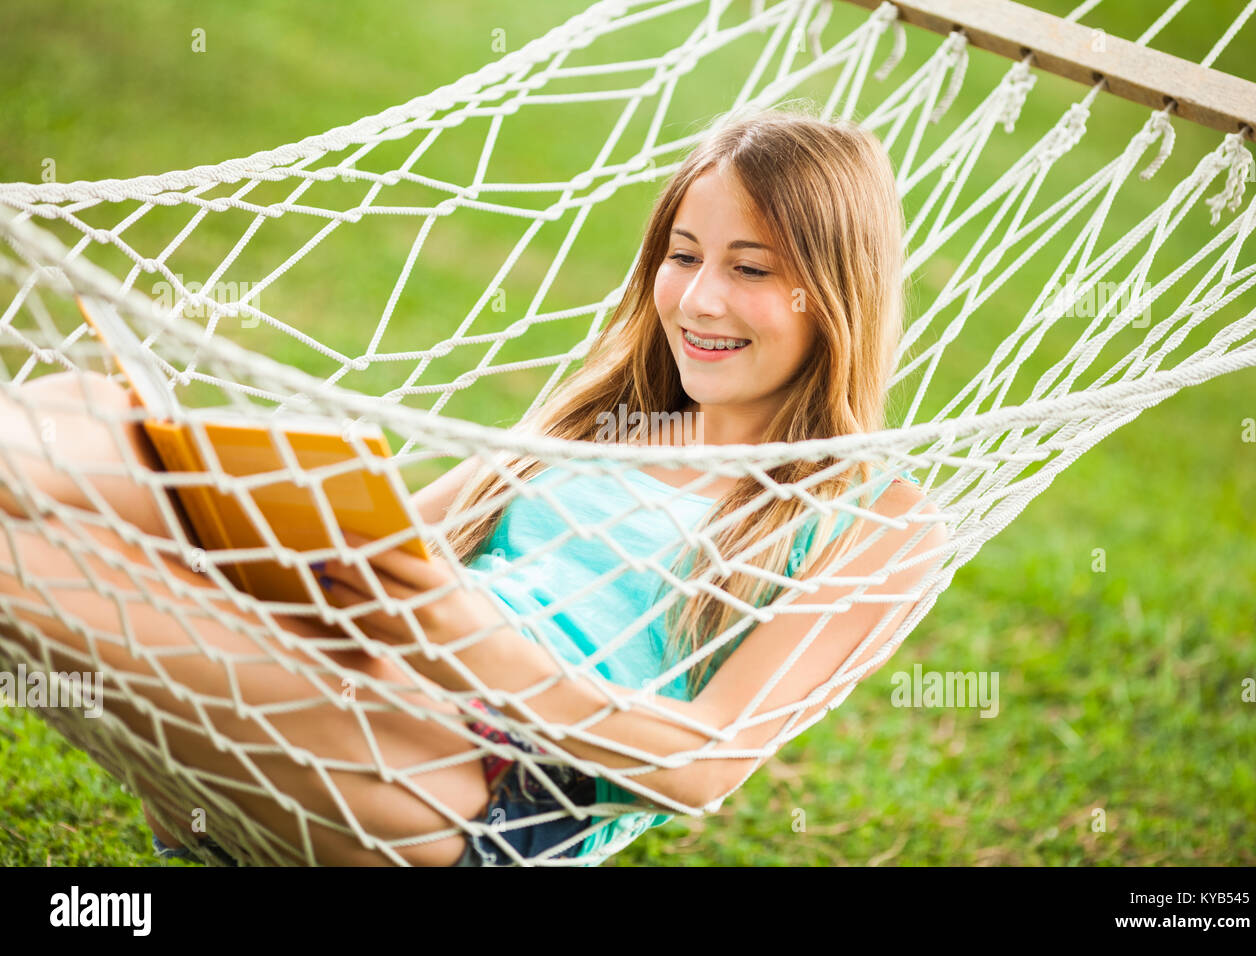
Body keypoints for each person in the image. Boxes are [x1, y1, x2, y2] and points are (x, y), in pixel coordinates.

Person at [0, 105, 948, 867]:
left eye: (749, 269)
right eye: (684, 255)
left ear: (830, 295)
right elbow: (380, 549)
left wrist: (470, 645)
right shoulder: (593, 428)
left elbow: (703, 766)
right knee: (79, 406)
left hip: (485, 782)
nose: (698, 299)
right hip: (344, 689)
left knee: (22, 567)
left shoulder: (874, 518)